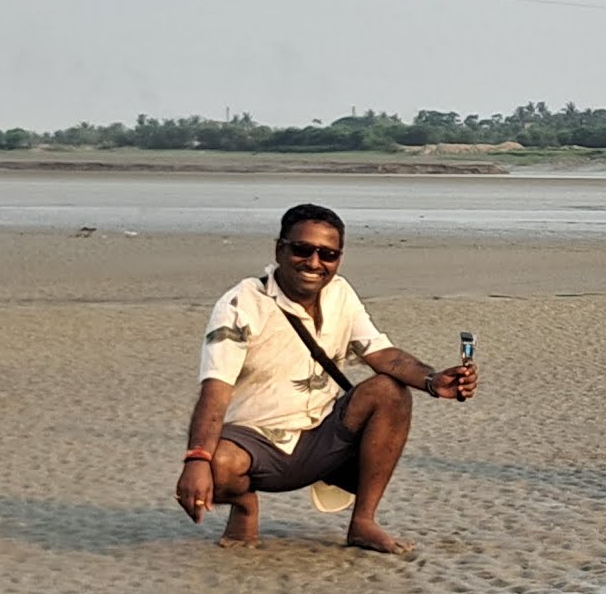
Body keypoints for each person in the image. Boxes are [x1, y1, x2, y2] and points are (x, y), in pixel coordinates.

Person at [174, 203, 477, 554]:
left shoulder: (340, 294)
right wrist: (196, 458)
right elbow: (215, 391)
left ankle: (363, 521)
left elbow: (382, 354)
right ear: (279, 249)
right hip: (255, 443)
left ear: (339, 258)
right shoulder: (240, 303)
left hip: (323, 436)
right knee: (218, 465)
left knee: (390, 391)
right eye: (302, 250)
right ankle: (244, 506)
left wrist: (433, 380)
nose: (314, 263)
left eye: (327, 254)